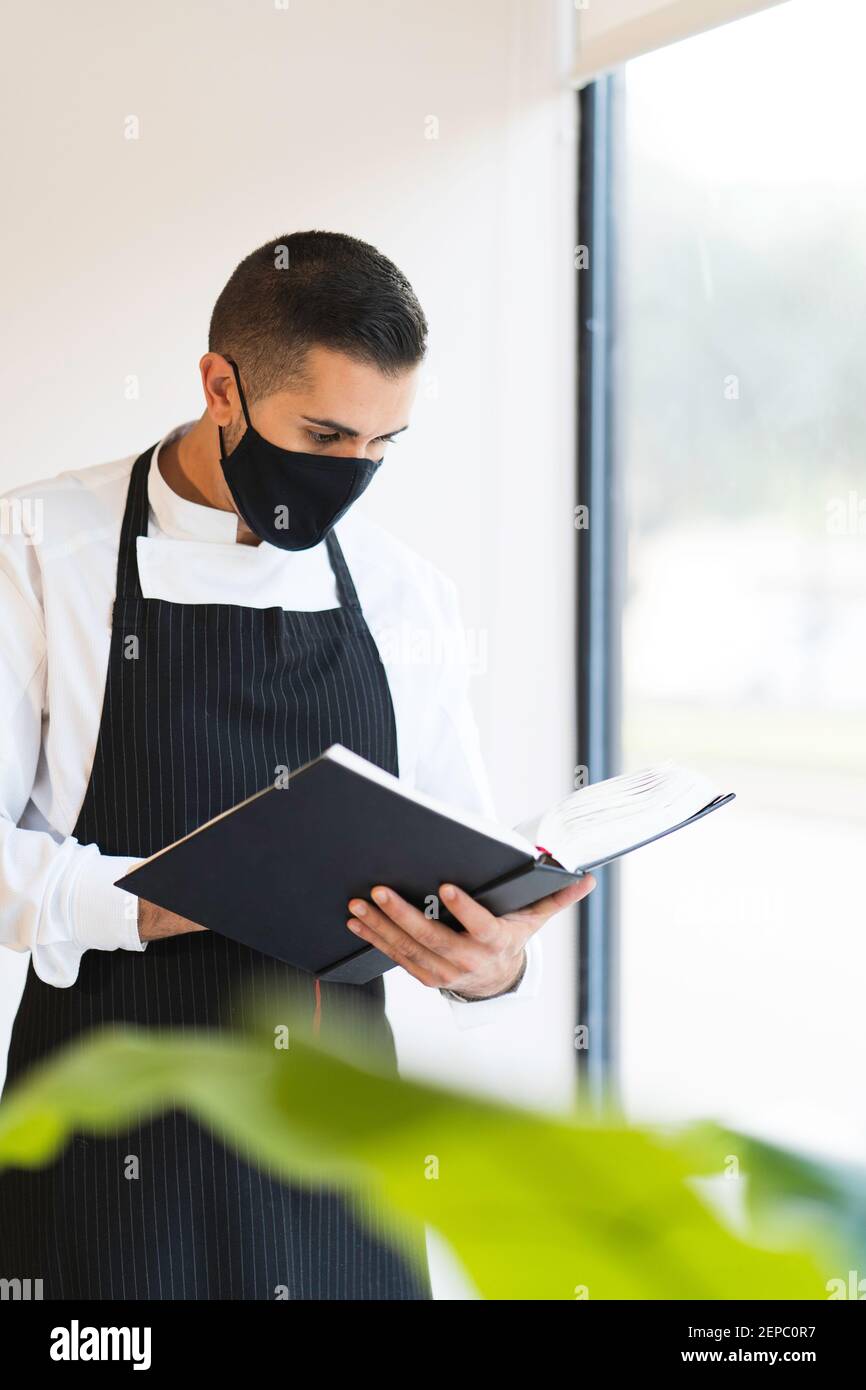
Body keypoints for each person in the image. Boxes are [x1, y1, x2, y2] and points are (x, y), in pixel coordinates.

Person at [0, 230, 595, 1299]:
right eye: (322, 433)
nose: (348, 474)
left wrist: (489, 964)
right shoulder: (39, 550)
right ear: (219, 385)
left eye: (380, 445)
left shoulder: (404, 592)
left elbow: (458, 845)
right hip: (115, 1141)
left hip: (340, 1147)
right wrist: (147, 903)